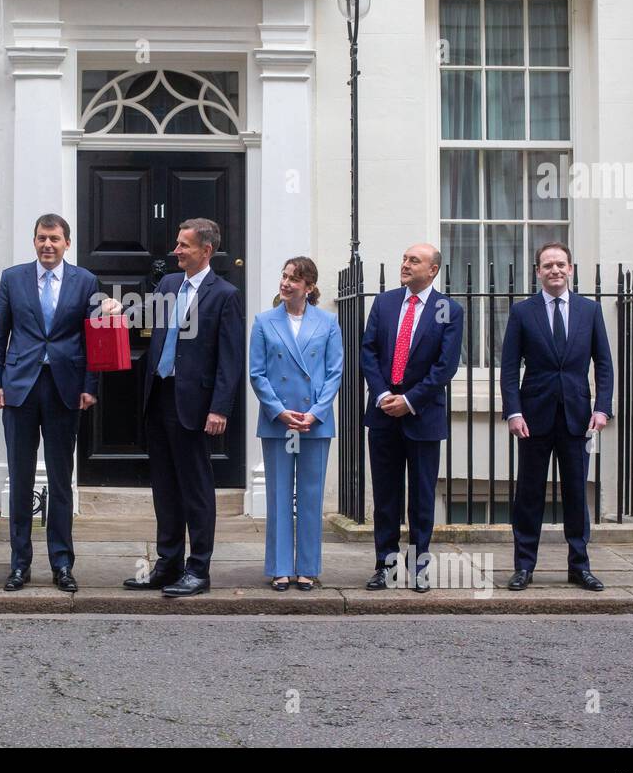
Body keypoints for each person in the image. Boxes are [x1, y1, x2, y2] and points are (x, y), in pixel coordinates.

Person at [0, 213, 118, 593]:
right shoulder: (13, 278)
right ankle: (19, 564)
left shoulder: (85, 281)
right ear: (34, 241)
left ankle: (62, 563)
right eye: (42, 238)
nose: (48, 245)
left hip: (65, 388)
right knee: (20, 479)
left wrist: (90, 385)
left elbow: (95, 336)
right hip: (20, 389)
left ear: (66, 243)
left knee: (62, 482)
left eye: (55, 239)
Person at [123, 218, 244, 598]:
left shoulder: (224, 294)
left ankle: (199, 568)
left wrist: (219, 408)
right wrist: (115, 306)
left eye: (183, 245)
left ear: (205, 251)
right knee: (164, 486)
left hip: (194, 403)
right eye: (177, 244)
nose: (175, 250)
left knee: (196, 489)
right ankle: (168, 562)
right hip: (159, 395)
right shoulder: (169, 284)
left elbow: (230, 358)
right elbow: (144, 320)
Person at [501, 240, 613, 592]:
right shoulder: (522, 312)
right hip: (533, 418)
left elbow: (605, 365)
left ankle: (579, 566)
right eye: (548, 265)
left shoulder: (589, 311)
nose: (555, 270)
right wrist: (513, 412)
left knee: (577, 495)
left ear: (571, 269)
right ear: (537, 271)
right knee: (529, 495)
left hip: (578, 418)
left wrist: (602, 408)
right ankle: (524, 567)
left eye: (561, 264)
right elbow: (508, 368)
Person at [360, 243, 463, 592]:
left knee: (421, 497)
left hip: (423, 416)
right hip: (383, 413)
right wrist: (383, 394)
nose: (404, 264)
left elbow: (444, 366)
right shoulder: (385, 302)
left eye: (413, 260)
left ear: (432, 270)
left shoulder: (447, 309)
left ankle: (419, 566)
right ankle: (385, 566)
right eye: (404, 258)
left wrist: (410, 400)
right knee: (386, 496)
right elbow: (368, 351)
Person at [248, 257, 343, 591]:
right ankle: (279, 567)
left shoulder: (329, 322)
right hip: (278, 421)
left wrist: (316, 412)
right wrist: (279, 410)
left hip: (314, 421)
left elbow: (334, 372)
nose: (285, 283)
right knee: (278, 493)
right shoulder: (263, 321)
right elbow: (257, 373)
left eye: (293, 279)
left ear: (309, 287)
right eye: (284, 276)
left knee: (310, 494)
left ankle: (307, 567)